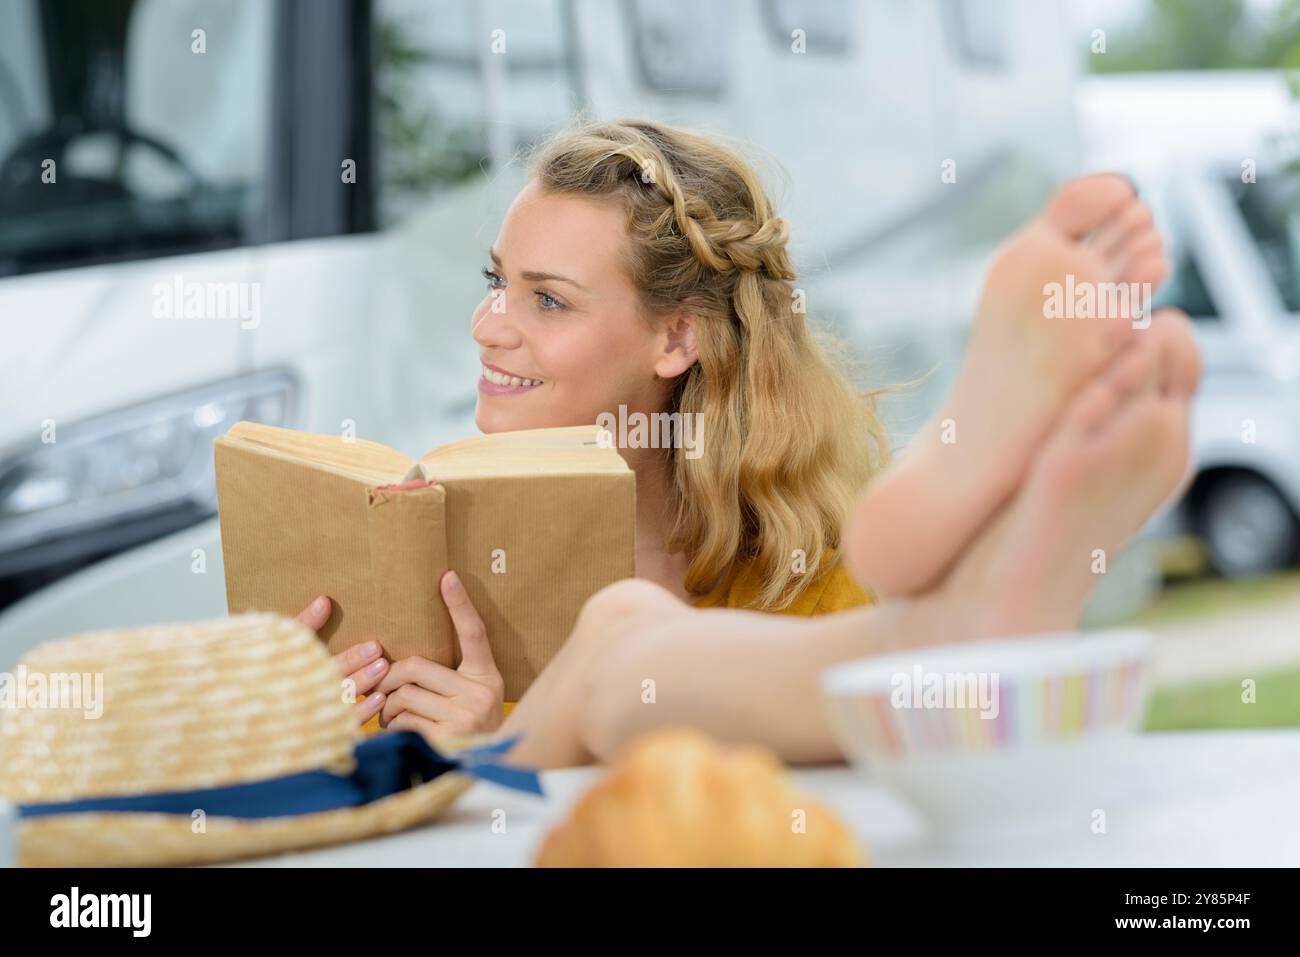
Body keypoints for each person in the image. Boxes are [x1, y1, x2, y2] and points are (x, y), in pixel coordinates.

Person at [294, 119, 1197, 751]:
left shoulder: (803, 559)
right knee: (624, 636)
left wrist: (498, 747)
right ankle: (965, 605)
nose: (491, 325)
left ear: (676, 337)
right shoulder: (419, 559)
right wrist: (306, 714)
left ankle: (965, 605)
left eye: (548, 298)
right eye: (498, 281)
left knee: (626, 631)